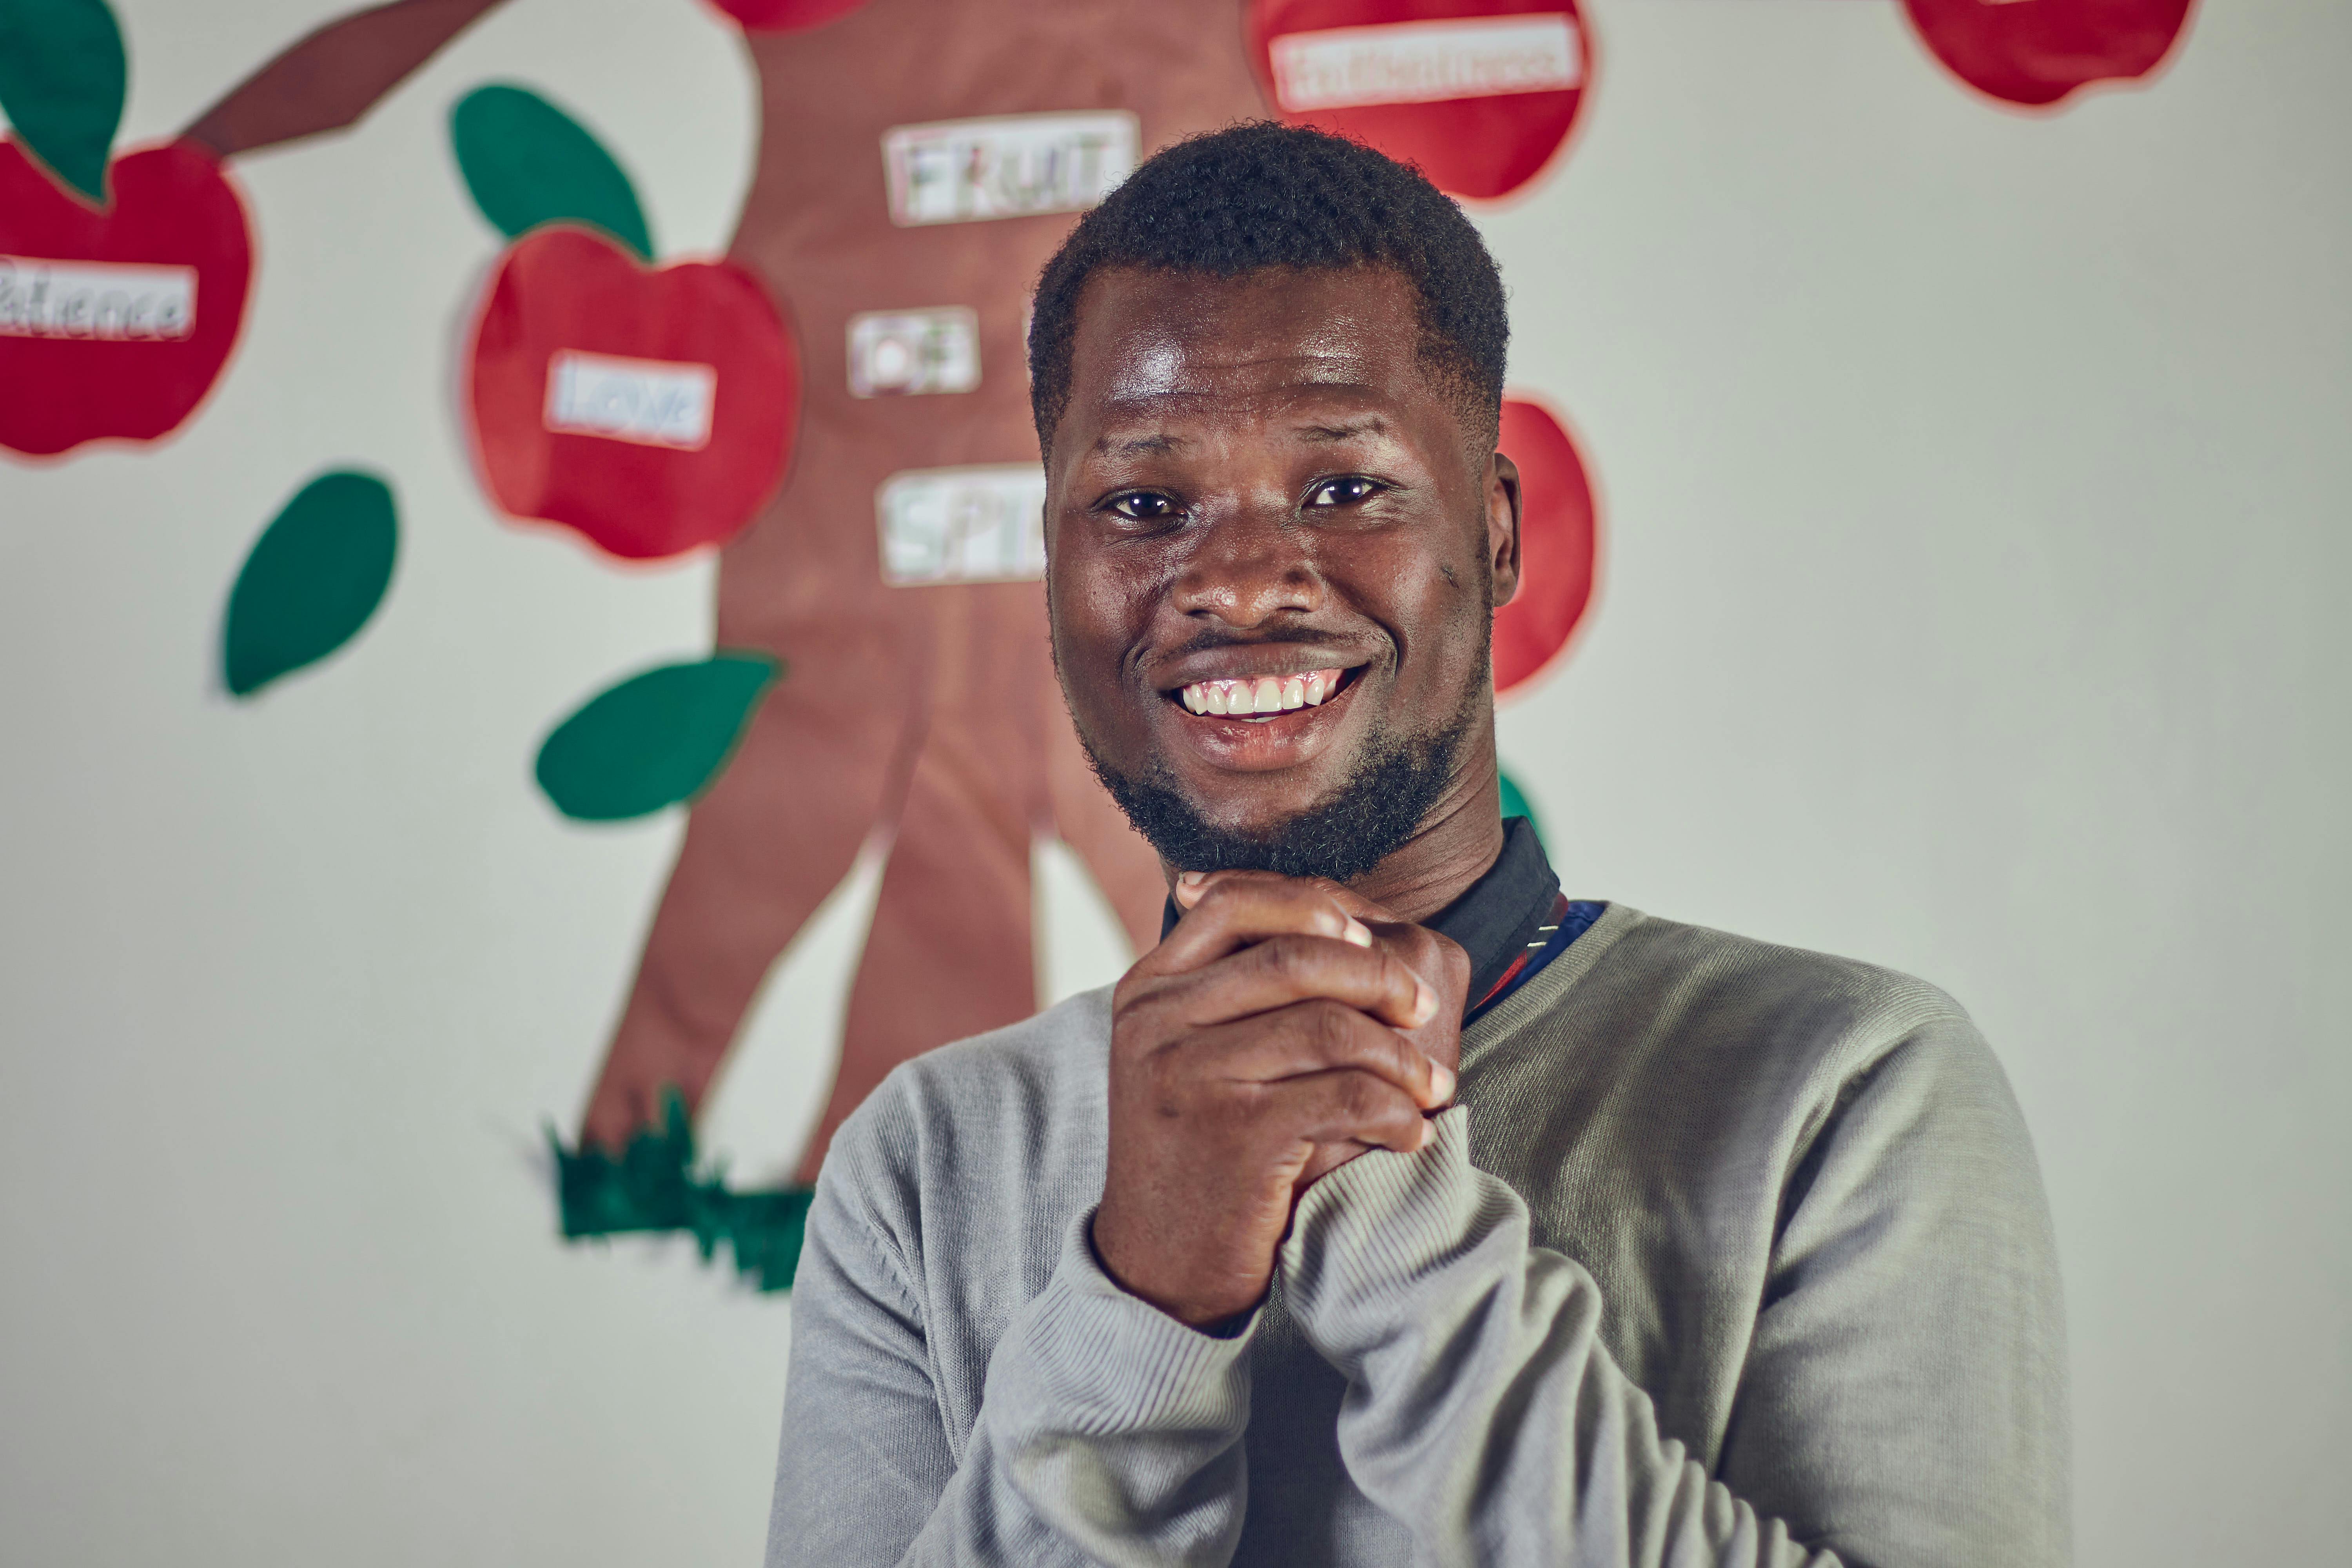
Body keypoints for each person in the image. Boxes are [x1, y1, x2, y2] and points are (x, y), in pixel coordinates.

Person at [764, 123, 2068, 1568]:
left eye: (1345, 488)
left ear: (1498, 535)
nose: (1245, 582)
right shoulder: (925, 1162)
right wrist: (1141, 1303)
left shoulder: (1851, 1089)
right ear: (1058, 562)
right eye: (1144, 505)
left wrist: (1380, 1195)